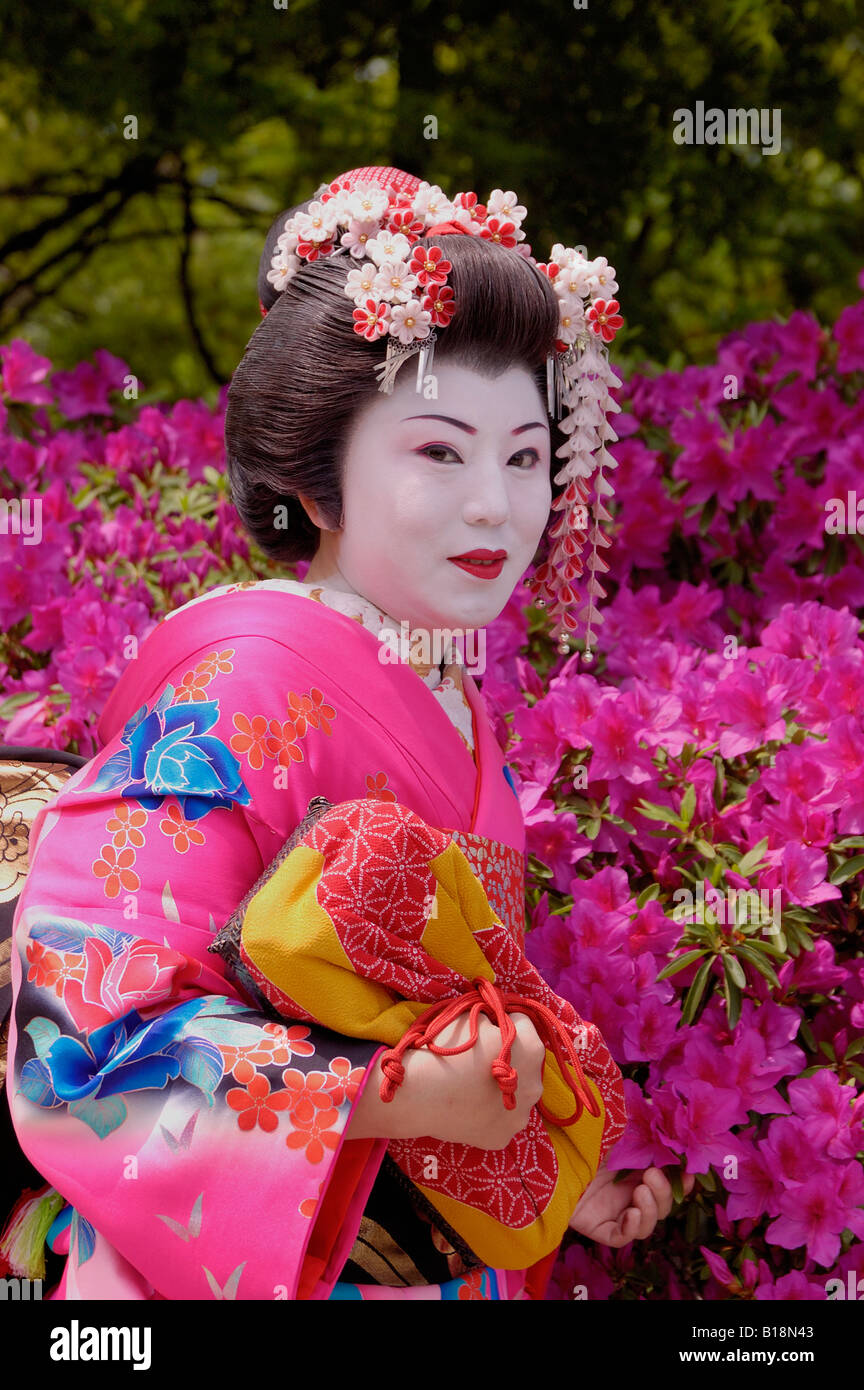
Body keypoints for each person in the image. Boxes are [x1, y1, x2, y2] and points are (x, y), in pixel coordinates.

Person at [5, 165, 690, 1302]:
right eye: (439, 450)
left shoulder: (460, 707)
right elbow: (81, 1035)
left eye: (525, 456)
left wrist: (553, 1182)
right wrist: (399, 1094)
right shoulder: (236, 685)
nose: (494, 504)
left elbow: (460, 1027)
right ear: (317, 481)